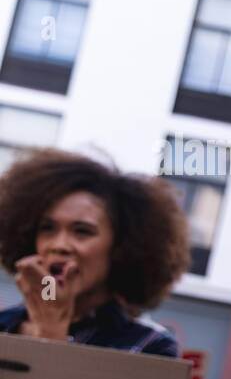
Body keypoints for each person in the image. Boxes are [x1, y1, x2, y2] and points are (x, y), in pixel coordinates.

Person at [0, 148, 189, 356]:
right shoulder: (5, 324)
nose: (59, 245)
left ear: (120, 246)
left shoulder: (150, 347)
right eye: (47, 228)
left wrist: (50, 333)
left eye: (82, 231)